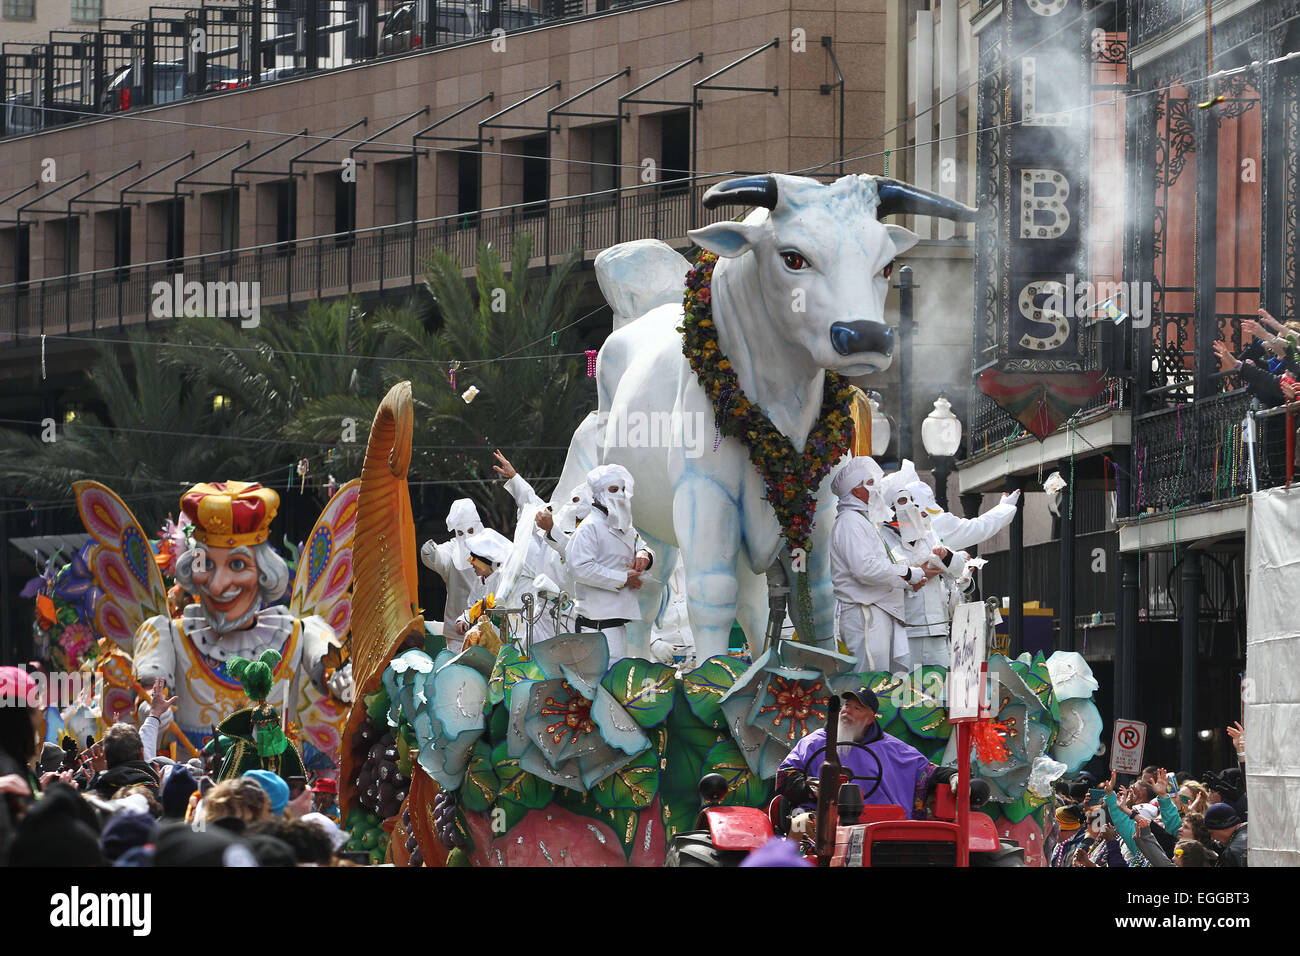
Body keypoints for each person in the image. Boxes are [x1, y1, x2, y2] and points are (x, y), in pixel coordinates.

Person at [776, 685, 956, 821]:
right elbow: (785, 775)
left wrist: (954, 776)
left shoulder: (892, 747)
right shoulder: (814, 742)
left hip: (882, 825)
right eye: (846, 705)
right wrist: (814, 789)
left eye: (857, 708)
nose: (847, 711)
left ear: (870, 718)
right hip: (821, 823)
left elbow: (927, 772)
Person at [829, 457, 936, 674]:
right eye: (870, 483)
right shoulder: (850, 521)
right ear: (856, 491)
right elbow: (866, 569)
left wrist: (907, 581)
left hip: (877, 613)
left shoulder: (862, 520)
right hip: (865, 614)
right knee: (870, 680)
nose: (876, 488)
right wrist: (908, 574)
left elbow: (879, 565)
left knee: (882, 682)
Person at [565, 464, 655, 662]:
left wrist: (644, 554)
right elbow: (579, 568)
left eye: (623, 490)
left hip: (618, 622)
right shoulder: (589, 528)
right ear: (599, 494)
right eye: (614, 490)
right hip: (596, 626)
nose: (621, 495)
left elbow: (642, 545)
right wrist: (623, 578)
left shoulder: (624, 527)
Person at [420, 497, 492, 648]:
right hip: (458, 633)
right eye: (461, 532)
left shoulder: (492, 544)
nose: (467, 537)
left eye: (471, 530)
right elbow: (439, 558)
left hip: (491, 631)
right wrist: (430, 553)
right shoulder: (452, 549)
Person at [1204, 802, 1247, 866]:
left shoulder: (1232, 853)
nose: (1212, 838)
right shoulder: (1253, 830)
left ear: (1223, 826)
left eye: (1211, 833)